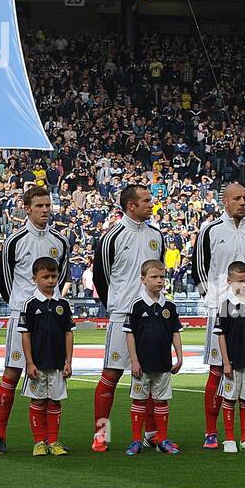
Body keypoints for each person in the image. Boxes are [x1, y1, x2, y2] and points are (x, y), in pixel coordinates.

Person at [0, 185, 70, 455]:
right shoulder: (14, 240)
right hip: (22, 315)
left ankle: (49, 439)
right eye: (40, 206)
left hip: (52, 318)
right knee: (12, 373)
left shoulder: (60, 242)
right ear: (27, 208)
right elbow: (4, 280)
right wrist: (21, 305)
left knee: (51, 374)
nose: (45, 210)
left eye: (48, 205)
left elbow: (62, 276)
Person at [192, 182, 245, 450]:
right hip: (221, 310)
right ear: (224, 201)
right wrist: (213, 301)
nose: (243, 202)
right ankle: (211, 432)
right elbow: (199, 270)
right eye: (237, 198)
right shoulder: (210, 231)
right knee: (218, 371)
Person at [91, 184, 165, 452]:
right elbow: (101, 277)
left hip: (152, 316)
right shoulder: (112, 237)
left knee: (151, 376)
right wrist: (117, 304)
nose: (151, 204)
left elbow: (159, 272)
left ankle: (152, 435)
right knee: (111, 375)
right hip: (123, 315)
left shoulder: (157, 235)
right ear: (131, 205)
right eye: (146, 200)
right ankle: (101, 434)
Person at [122, 259, 183, 457]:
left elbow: (175, 332)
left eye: (162, 277)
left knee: (161, 401)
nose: (159, 281)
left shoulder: (170, 306)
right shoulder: (136, 306)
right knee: (138, 402)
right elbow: (129, 334)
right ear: (143, 279)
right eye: (154, 277)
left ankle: (162, 440)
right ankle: (136, 440)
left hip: (163, 363)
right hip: (143, 364)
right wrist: (134, 361)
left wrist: (179, 357)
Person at [18, 256, 74, 457]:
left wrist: (68, 361)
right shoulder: (30, 304)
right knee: (38, 401)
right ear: (35, 278)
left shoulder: (63, 304)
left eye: (54, 276)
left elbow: (68, 333)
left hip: (58, 363)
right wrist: (29, 362)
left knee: (55, 402)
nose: (51, 280)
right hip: (38, 363)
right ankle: (39, 441)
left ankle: (53, 441)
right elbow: (26, 335)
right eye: (46, 277)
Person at [214, 261, 245, 454]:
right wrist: (225, 362)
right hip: (232, 362)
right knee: (229, 399)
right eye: (239, 281)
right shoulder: (226, 305)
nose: (243, 285)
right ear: (229, 281)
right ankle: (229, 439)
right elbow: (221, 335)